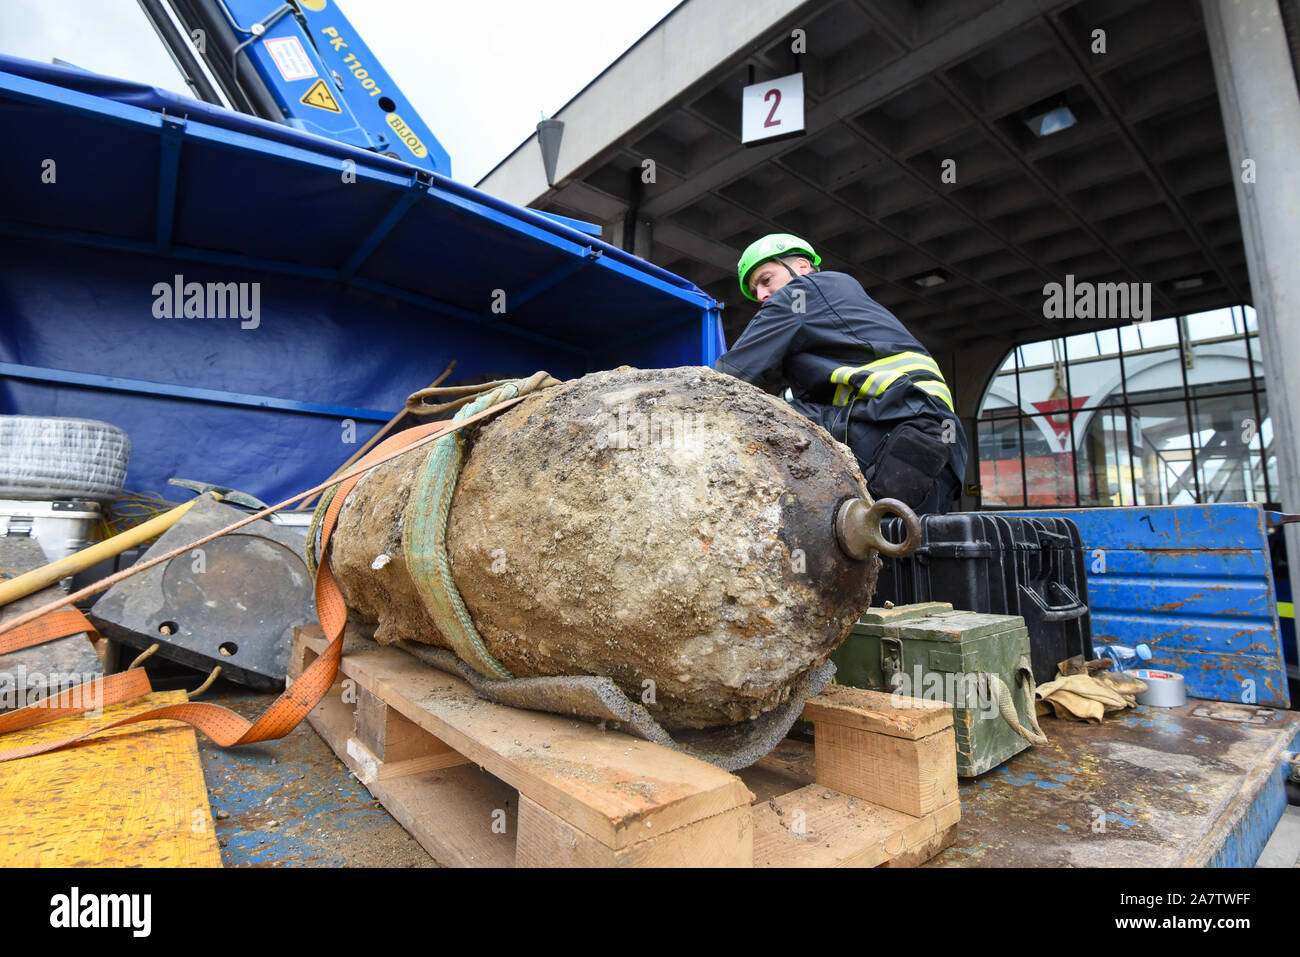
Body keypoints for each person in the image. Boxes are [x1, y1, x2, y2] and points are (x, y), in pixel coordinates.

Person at [713, 233, 967, 514]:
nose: (761, 295)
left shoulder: (802, 292)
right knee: (897, 546)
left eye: (766, 279)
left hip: (897, 422)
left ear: (801, 267)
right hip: (938, 447)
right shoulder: (839, 305)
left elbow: (730, 376)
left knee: (763, 413)